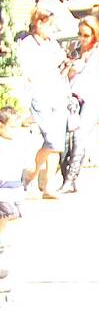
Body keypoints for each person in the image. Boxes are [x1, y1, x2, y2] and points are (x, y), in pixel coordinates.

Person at [15, 5, 73, 198]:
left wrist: (66, 65)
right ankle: (31, 174)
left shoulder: (53, 44)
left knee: (58, 142)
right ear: (39, 23)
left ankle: (48, 185)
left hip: (58, 94)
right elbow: (30, 72)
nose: (52, 30)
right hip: (40, 95)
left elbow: (60, 70)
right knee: (51, 139)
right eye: (49, 25)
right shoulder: (27, 44)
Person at [62, 14, 99, 193]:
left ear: (95, 34)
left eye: (86, 35)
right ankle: (67, 176)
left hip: (96, 96)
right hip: (76, 94)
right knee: (66, 136)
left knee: (80, 134)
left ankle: (71, 178)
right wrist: (72, 67)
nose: (82, 39)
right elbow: (67, 74)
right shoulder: (76, 47)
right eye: (80, 34)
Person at [0, 107, 33, 295]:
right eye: (11, 127)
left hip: (14, 189)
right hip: (2, 190)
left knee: (9, 226)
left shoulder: (19, 143)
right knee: (3, 229)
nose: (14, 131)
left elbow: (27, 166)